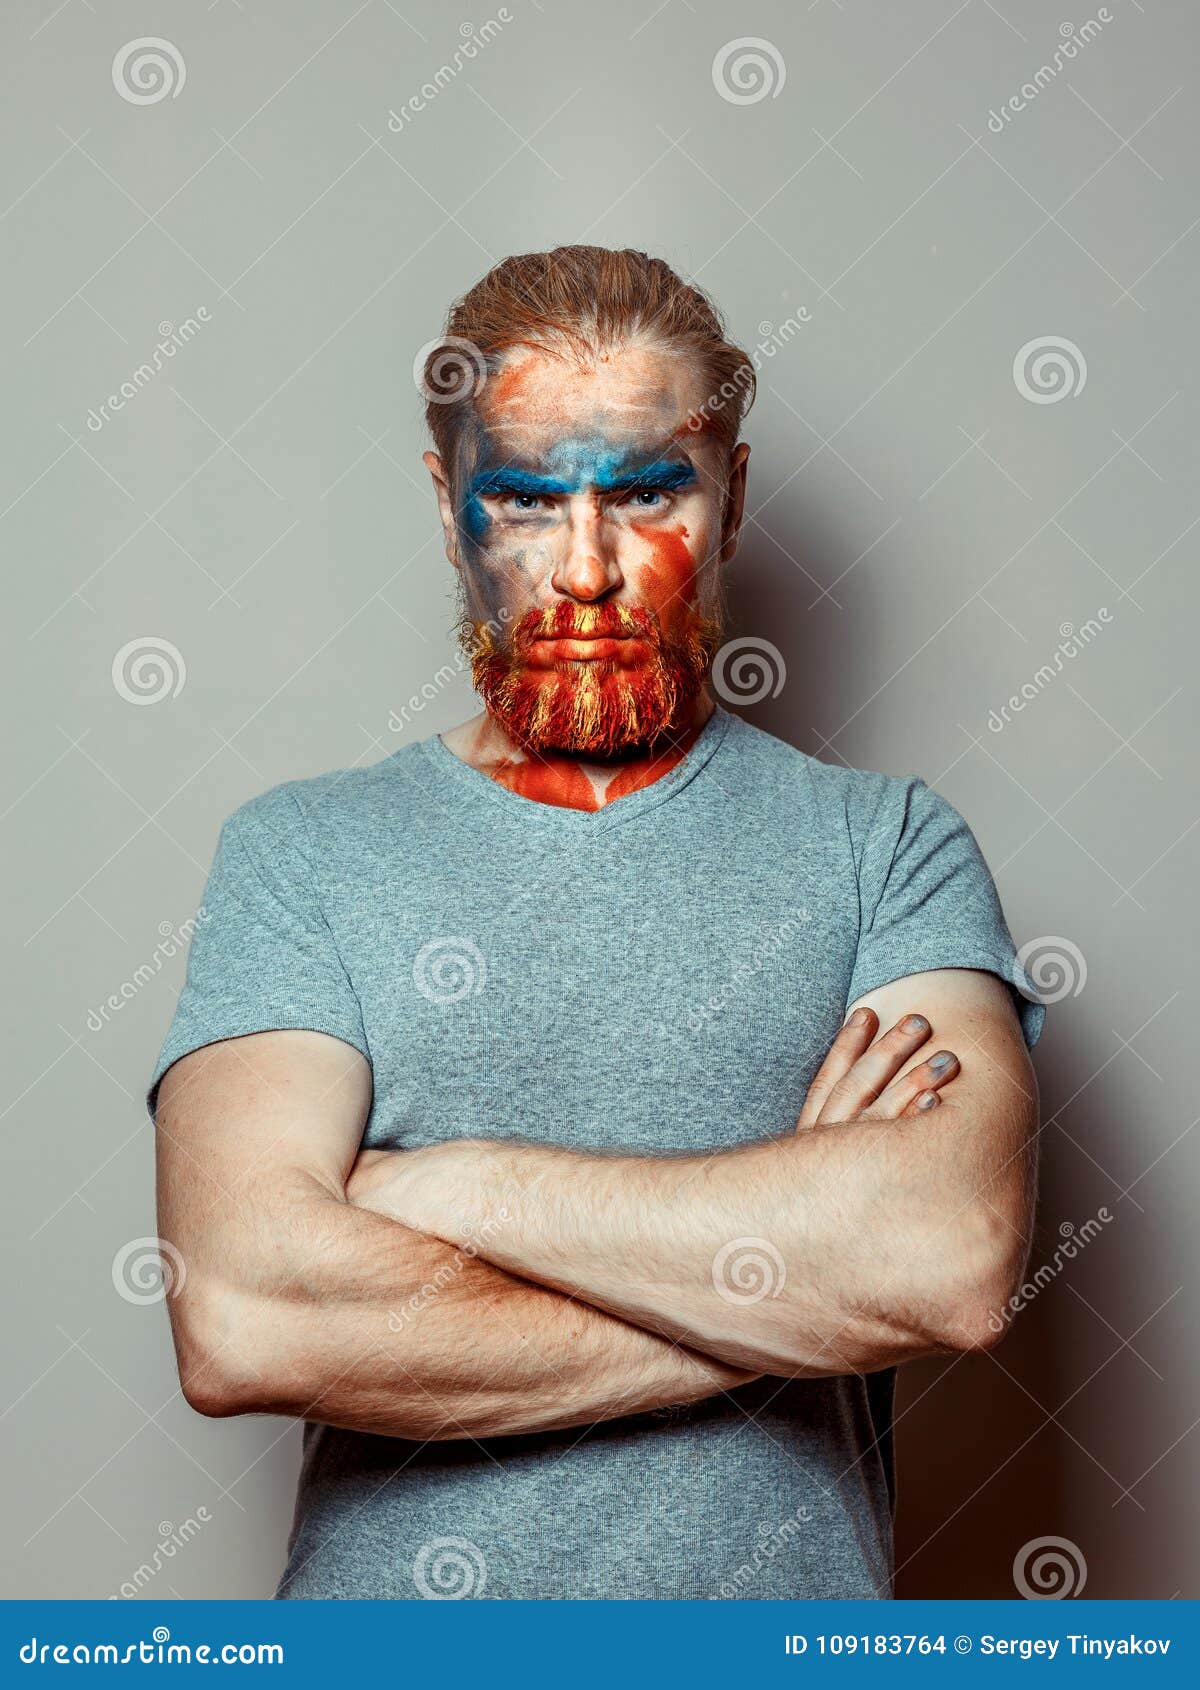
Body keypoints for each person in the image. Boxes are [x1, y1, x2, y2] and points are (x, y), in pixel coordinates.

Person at [149, 245, 1045, 1601]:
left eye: (645, 490)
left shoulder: (890, 849)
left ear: (730, 498)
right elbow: (244, 1315)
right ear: (450, 503)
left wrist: (449, 1183)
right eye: (521, 498)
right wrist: (791, 1289)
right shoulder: (302, 854)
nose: (584, 569)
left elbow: (949, 1258)